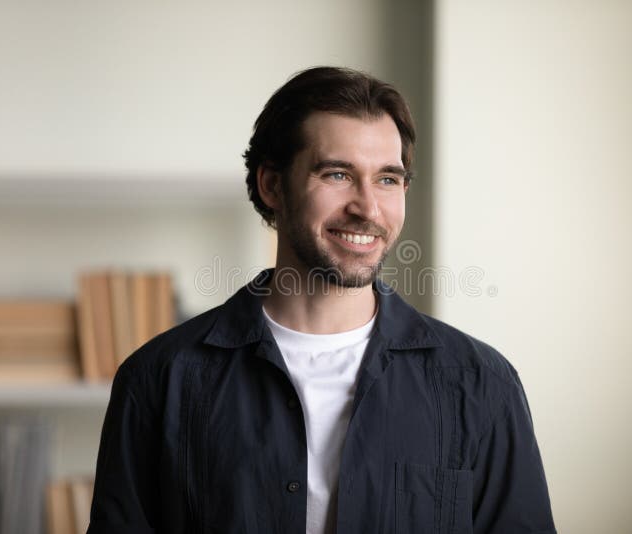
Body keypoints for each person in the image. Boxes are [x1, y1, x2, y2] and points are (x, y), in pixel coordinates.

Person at [88, 66, 556, 534]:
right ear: (273, 185)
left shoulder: (481, 384)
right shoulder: (158, 381)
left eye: (388, 180)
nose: (368, 208)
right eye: (337, 174)